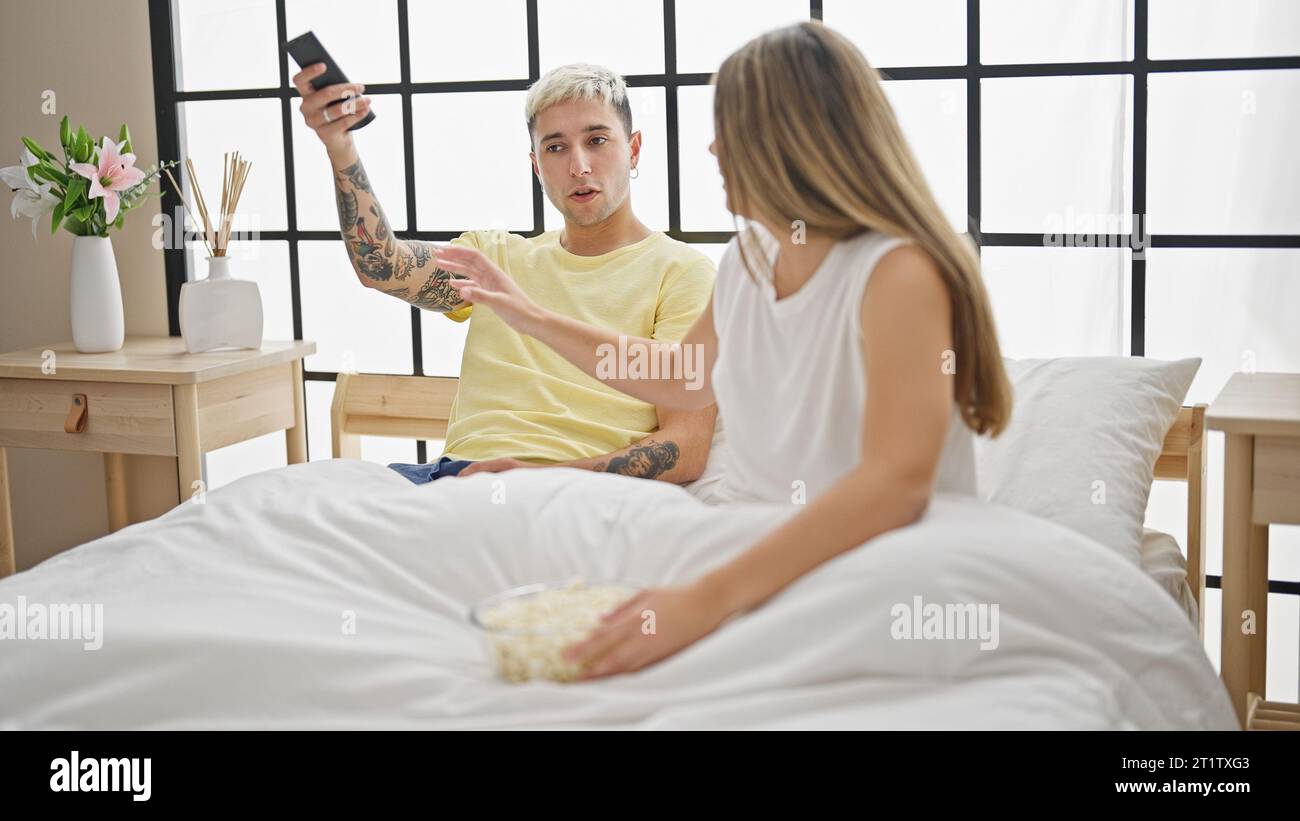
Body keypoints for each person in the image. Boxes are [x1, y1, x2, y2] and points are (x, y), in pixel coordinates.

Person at [431, 22, 1013, 678]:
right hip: (754, 541)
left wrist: (707, 598)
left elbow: (894, 487)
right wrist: (529, 314)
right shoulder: (749, 258)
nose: (711, 147)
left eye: (730, 126)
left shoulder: (899, 270)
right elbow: (679, 377)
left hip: (879, 556)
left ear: (795, 138)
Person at [290, 61, 718, 485]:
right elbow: (382, 265)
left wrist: (539, 475)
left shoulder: (683, 273)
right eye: (556, 147)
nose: (579, 166)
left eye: (598, 140)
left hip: (573, 490)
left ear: (634, 149)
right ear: (537, 166)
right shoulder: (493, 258)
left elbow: (686, 445)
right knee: (294, 500)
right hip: (447, 479)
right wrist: (339, 145)